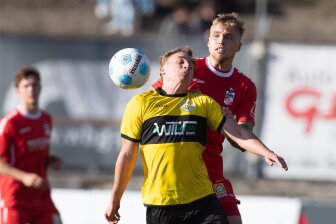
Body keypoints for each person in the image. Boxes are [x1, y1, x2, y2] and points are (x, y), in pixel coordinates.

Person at [105, 46, 288, 224]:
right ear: (163, 69)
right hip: (160, 204)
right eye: (181, 62)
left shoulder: (203, 103)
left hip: (201, 200)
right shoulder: (140, 104)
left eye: (191, 65)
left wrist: (266, 152)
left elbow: (239, 132)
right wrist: (115, 200)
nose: (187, 66)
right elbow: (128, 155)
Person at [152, 13, 256, 224]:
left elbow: (243, 141)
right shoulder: (187, 68)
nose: (220, 41)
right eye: (216, 35)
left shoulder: (245, 86)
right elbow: (154, 104)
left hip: (211, 171)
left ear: (239, 46)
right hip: (177, 170)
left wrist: (230, 125)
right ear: (208, 41)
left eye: (228, 37)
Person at [0, 67, 62, 224]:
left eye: (34, 85)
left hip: (41, 197)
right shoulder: (10, 123)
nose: (31, 89)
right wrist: (24, 177)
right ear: (18, 90)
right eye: (26, 86)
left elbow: (33, 153)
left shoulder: (46, 119)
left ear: (40, 87)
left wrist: (49, 160)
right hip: (15, 198)